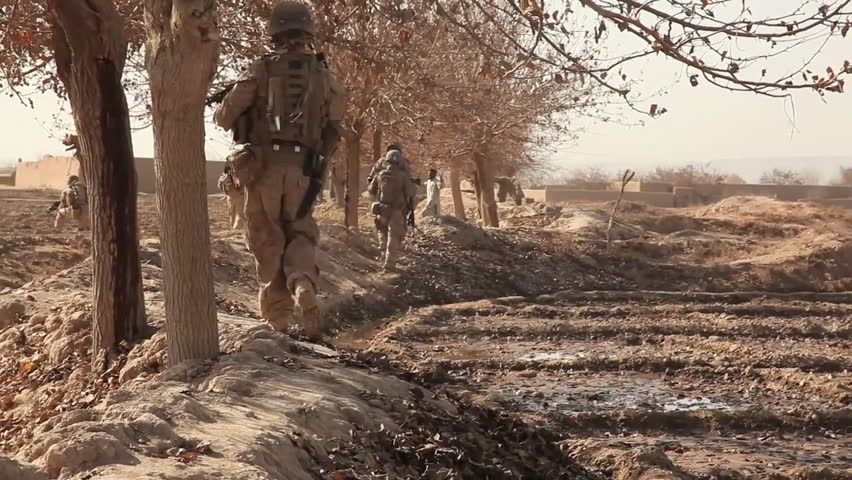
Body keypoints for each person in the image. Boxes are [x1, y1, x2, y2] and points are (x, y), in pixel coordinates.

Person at [212, 0, 345, 339]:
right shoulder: (324, 75)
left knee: (267, 236)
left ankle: (278, 320)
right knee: (300, 232)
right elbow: (334, 127)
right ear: (307, 32)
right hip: (304, 170)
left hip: (264, 167)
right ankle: (301, 282)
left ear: (275, 33)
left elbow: (224, 116)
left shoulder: (260, 68)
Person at [368, 150, 417, 272]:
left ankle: (383, 253)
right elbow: (410, 192)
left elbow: (371, 190)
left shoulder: (380, 175)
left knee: (382, 231)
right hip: (396, 210)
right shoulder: (403, 176)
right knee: (394, 236)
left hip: (382, 209)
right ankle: (389, 264)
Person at [217, 164, 246, 229]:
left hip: (239, 196)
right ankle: (234, 227)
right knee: (232, 213)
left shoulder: (239, 175)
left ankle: (238, 228)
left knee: (239, 213)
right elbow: (220, 186)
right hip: (231, 197)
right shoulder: (224, 176)